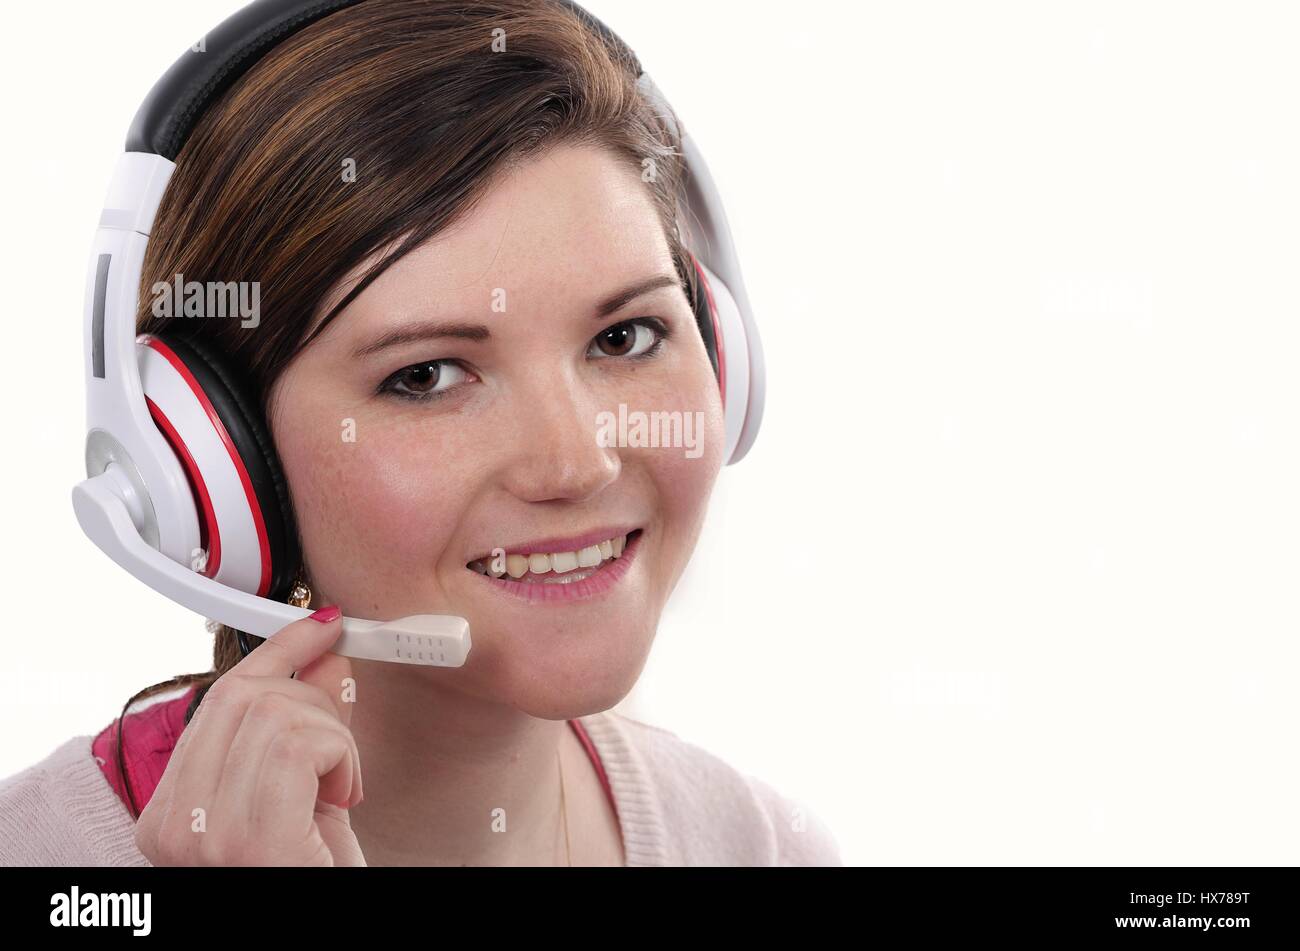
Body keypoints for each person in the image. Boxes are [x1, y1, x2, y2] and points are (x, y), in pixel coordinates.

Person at [0, 0, 840, 866]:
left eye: (624, 336)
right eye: (427, 376)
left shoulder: (758, 844)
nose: (576, 462)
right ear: (215, 463)